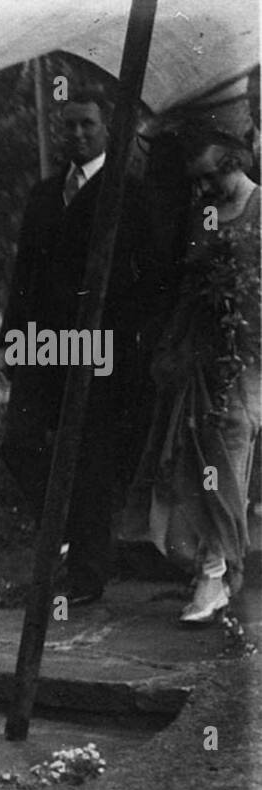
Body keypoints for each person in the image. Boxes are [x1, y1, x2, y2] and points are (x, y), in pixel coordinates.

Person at [0, 86, 155, 606]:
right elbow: (24, 273)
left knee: (91, 458)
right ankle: (63, 528)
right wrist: (11, 339)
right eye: (70, 125)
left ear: (107, 128)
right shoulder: (45, 193)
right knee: (20, 443)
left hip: (98, 346)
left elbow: (143, 279)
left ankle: (86, 576)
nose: (79, 133)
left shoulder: (126, 193)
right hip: (41, 344)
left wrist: (126, 346)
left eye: (88, 124)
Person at [123, 127, 260, 623]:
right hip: (200, 351)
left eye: (208, 179)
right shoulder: (203, 213)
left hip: (250, 355)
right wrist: (172, 345)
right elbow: (190, 282)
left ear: (233, 164)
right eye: (195, 182)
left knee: (230, 446)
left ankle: (215, 570)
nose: (201, 191)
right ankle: (216, 568)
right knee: (197, 450)